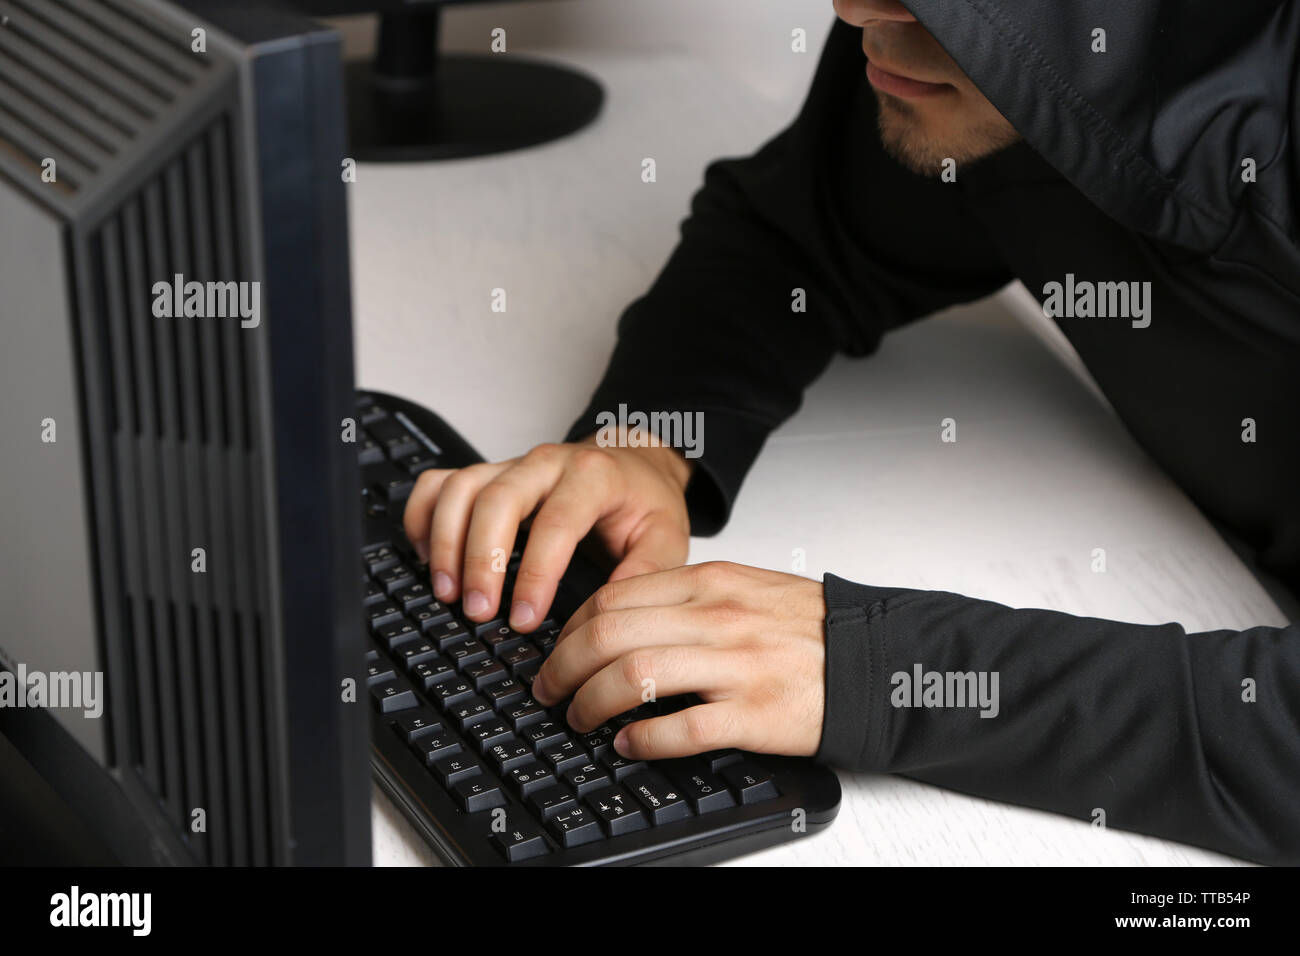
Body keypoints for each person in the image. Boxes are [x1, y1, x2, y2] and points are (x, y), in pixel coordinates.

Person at [402, 0, 1300, 864]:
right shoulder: (991, 55)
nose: (849, 9)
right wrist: (652, 437)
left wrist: (883, 671)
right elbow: (801, 237)